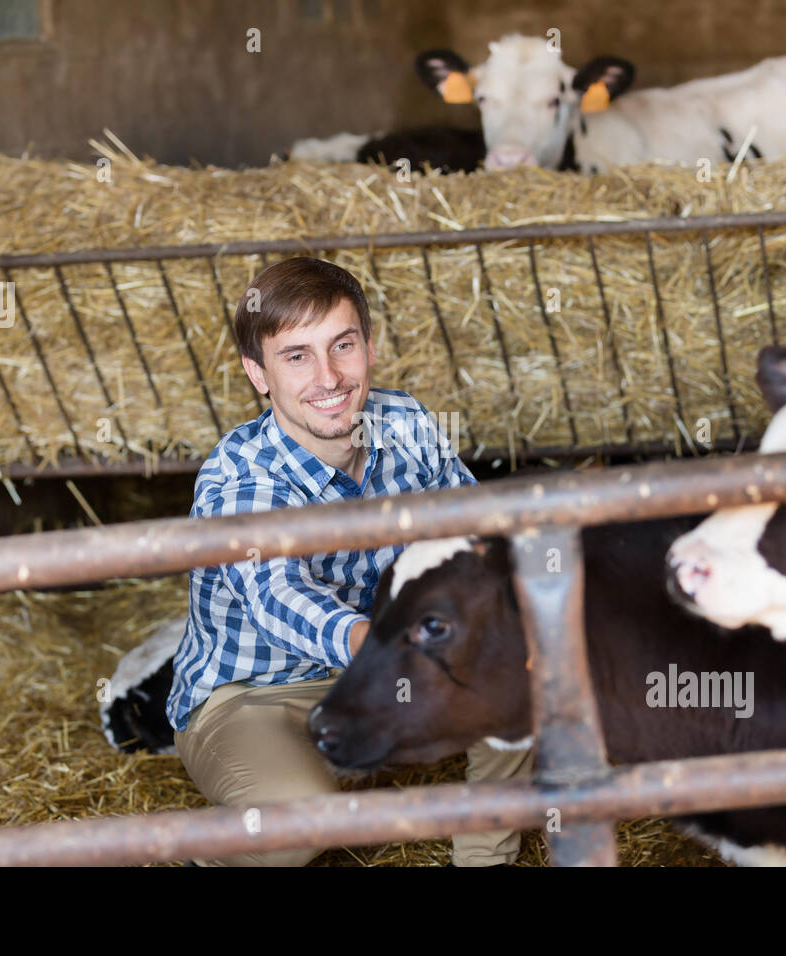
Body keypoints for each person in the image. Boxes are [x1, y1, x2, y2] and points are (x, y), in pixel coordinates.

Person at [165, 256, 533, 866]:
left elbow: (474, 533)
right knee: (298, 828)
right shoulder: (239, 478)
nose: (329, 377)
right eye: (297, 356)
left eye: (343, 345)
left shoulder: (407, 422)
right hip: (258, 694)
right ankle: (218, 852)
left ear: (369, 345)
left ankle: (485, 859)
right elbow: (277, 592)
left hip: (382, 668)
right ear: (258, 374)